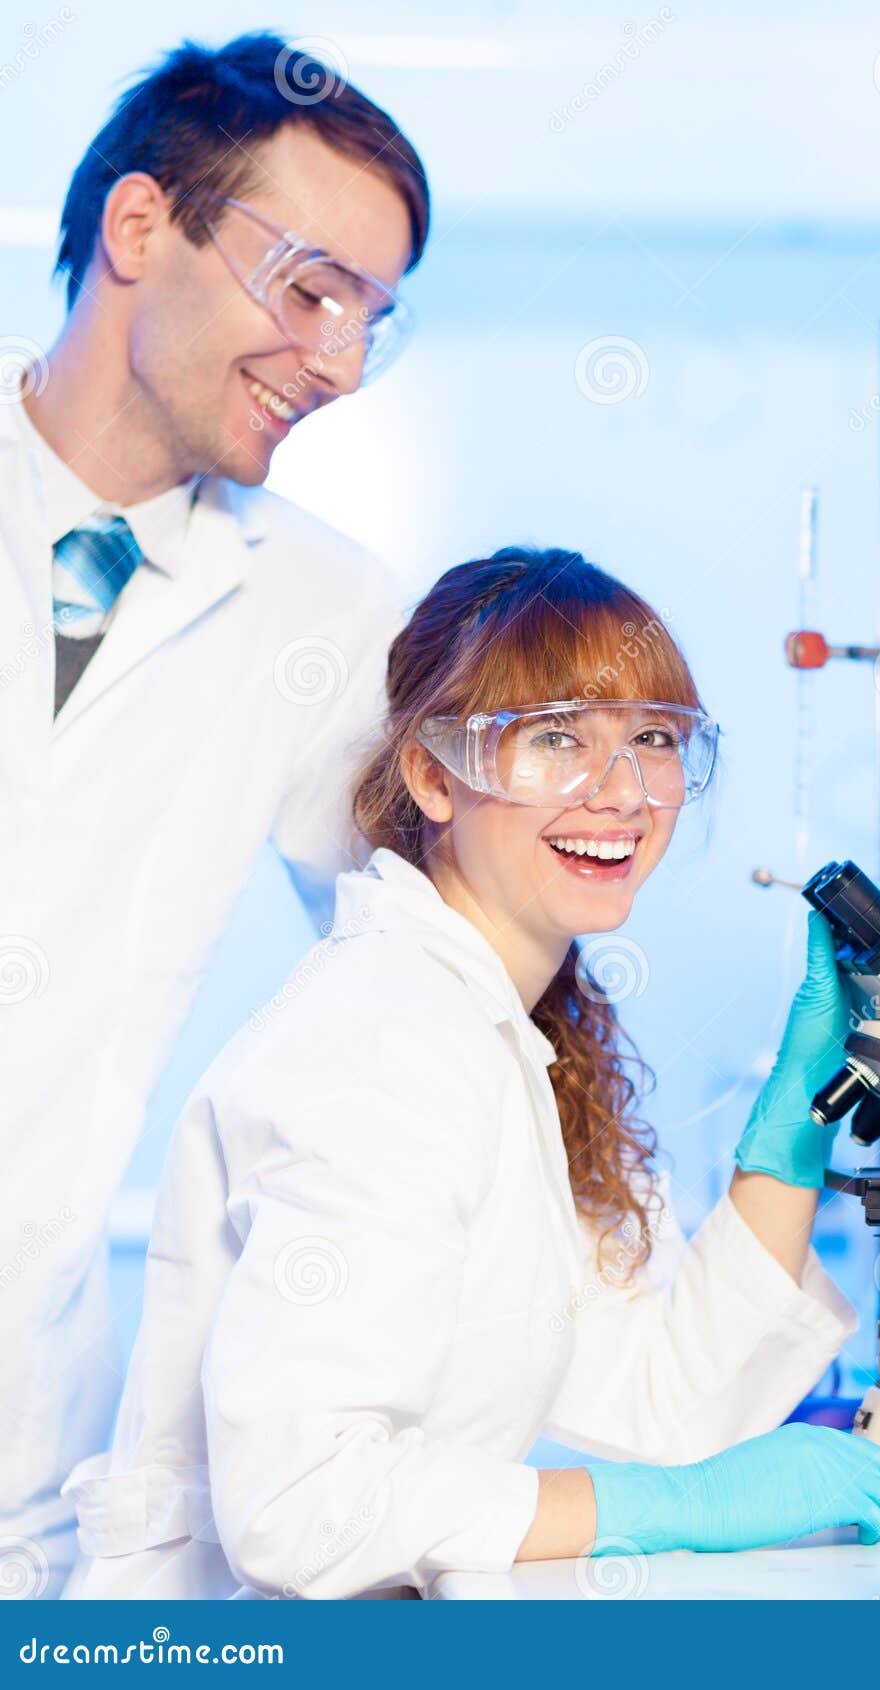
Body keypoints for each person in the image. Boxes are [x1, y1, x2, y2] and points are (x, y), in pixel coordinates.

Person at [61, 549, 880, 1599]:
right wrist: (666, 1511)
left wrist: (796, 1112)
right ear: (431, 774)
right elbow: (298, 1503)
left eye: (652, 740)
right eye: (556, 739)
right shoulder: (381, 1042)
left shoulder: (508, 1033)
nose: (620, 794)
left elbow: (662, 1402)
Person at [0, 34, 429, 1592]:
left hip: (20, 1462)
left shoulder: (320, 608)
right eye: (311, 290)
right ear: (137, 231)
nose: (341, 364)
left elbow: (428, 965)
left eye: (373, 319)